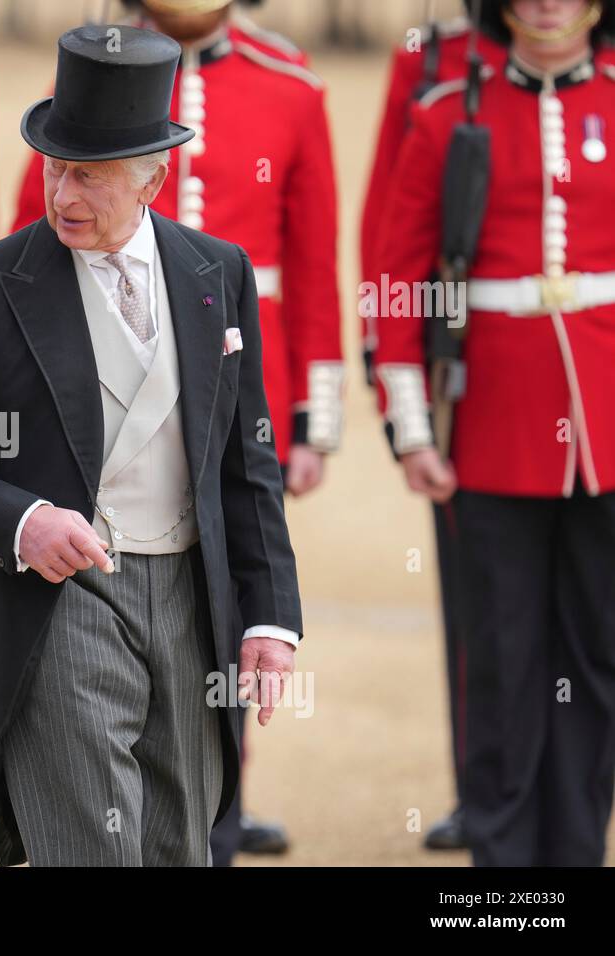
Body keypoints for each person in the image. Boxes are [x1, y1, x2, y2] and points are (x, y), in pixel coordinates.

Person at [0, 25, 302, 867]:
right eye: (55, 167)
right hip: (61, 603)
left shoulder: (218, 273)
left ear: (155, 176)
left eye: (89, 174)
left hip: (194, 601)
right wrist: (23, 523)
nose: (63, 194)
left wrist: (269, 616)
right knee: (87, 849)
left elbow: (246, 462)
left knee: (179, 847)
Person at [13, 0, 341, 864]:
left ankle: (219, 794)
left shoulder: (291, 87)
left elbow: (310, 261)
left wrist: (316, 415)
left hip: (227, 381)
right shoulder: (83, 93)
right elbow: (34, 257)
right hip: (110, 391)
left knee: (225, 598)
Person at [373, 0, 615, 866]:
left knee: (596, 659)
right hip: (492, 430)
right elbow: (397, 279)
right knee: (502, 668)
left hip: (607, 431)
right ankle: (505, 884)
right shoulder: (446, 113)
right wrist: (411, 428)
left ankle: (577, 856)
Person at [359, 2, 508, 854]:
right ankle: (486, 788)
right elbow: (392, 231)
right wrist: (401, 391)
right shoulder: (430, 66)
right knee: (482, 614)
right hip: (473, 380)